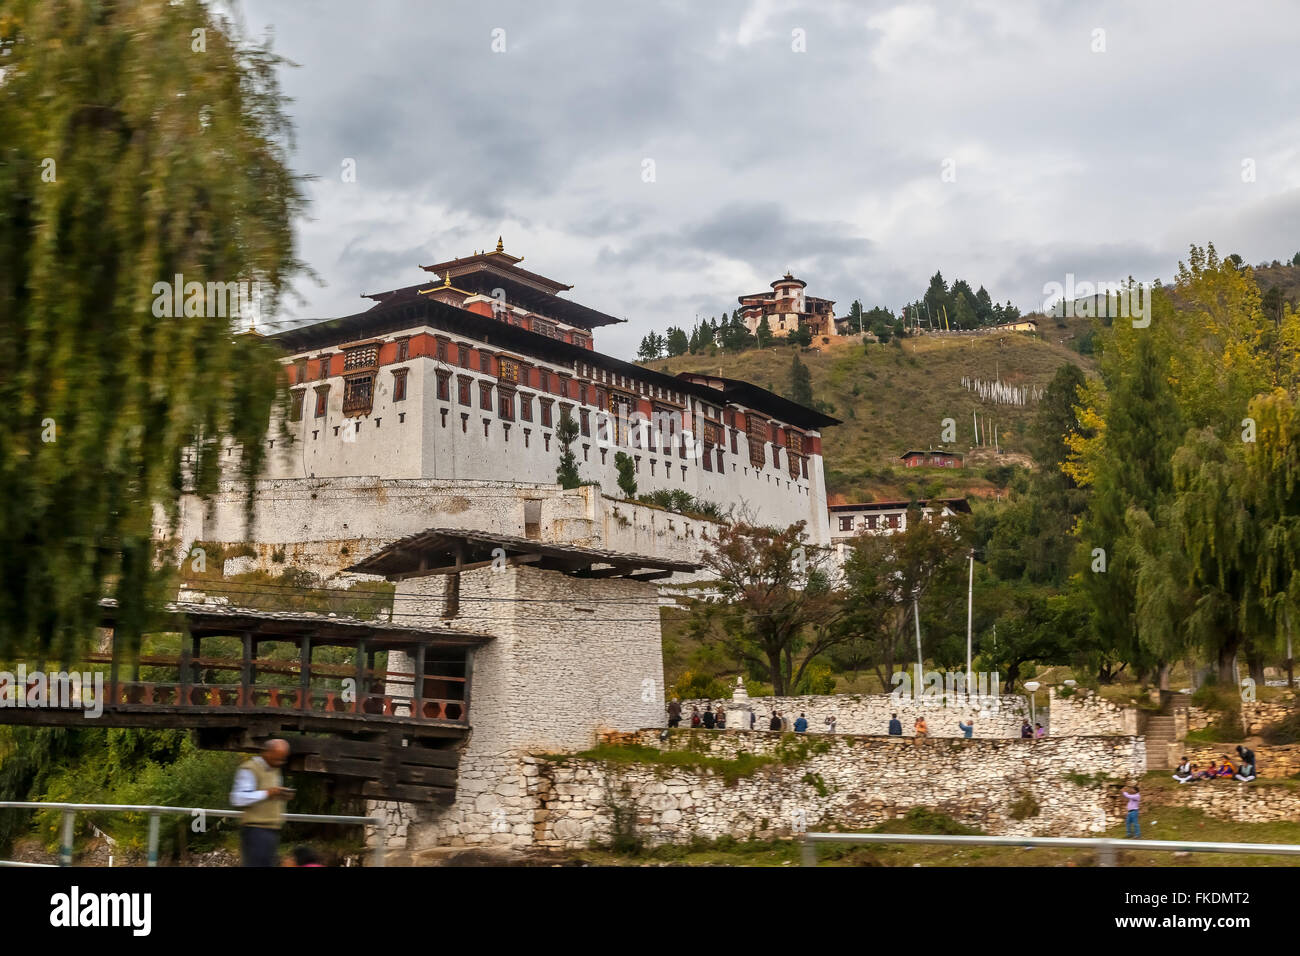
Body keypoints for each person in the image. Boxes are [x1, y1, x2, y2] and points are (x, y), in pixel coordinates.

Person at [231, 738, 292, 867]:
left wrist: (282, 795)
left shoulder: (275, 770)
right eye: (277, 758)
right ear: (267, 752)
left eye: (282, 759)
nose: (280, 762)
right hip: (255, 830)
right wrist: (267, 793)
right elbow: (238, 798)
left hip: (272, 829)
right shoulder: (250, 769)